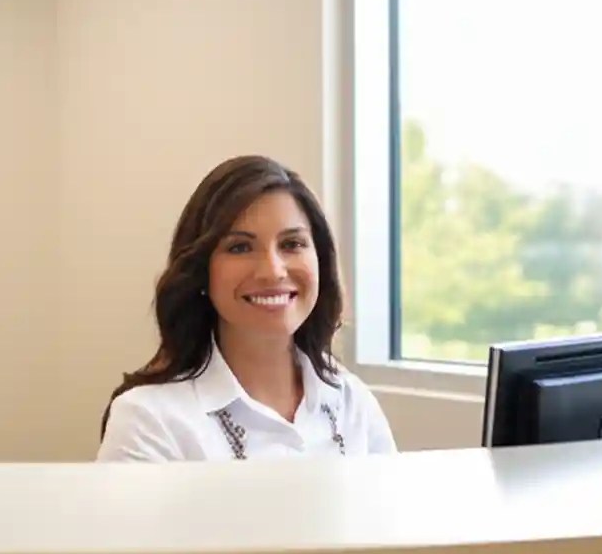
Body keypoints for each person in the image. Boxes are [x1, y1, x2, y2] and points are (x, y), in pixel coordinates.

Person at [97, 155, 397, 462]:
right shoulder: (146, 420)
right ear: (201, 271)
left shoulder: (351, 401)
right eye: (240, 247)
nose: (273, 271)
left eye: (292, 244)